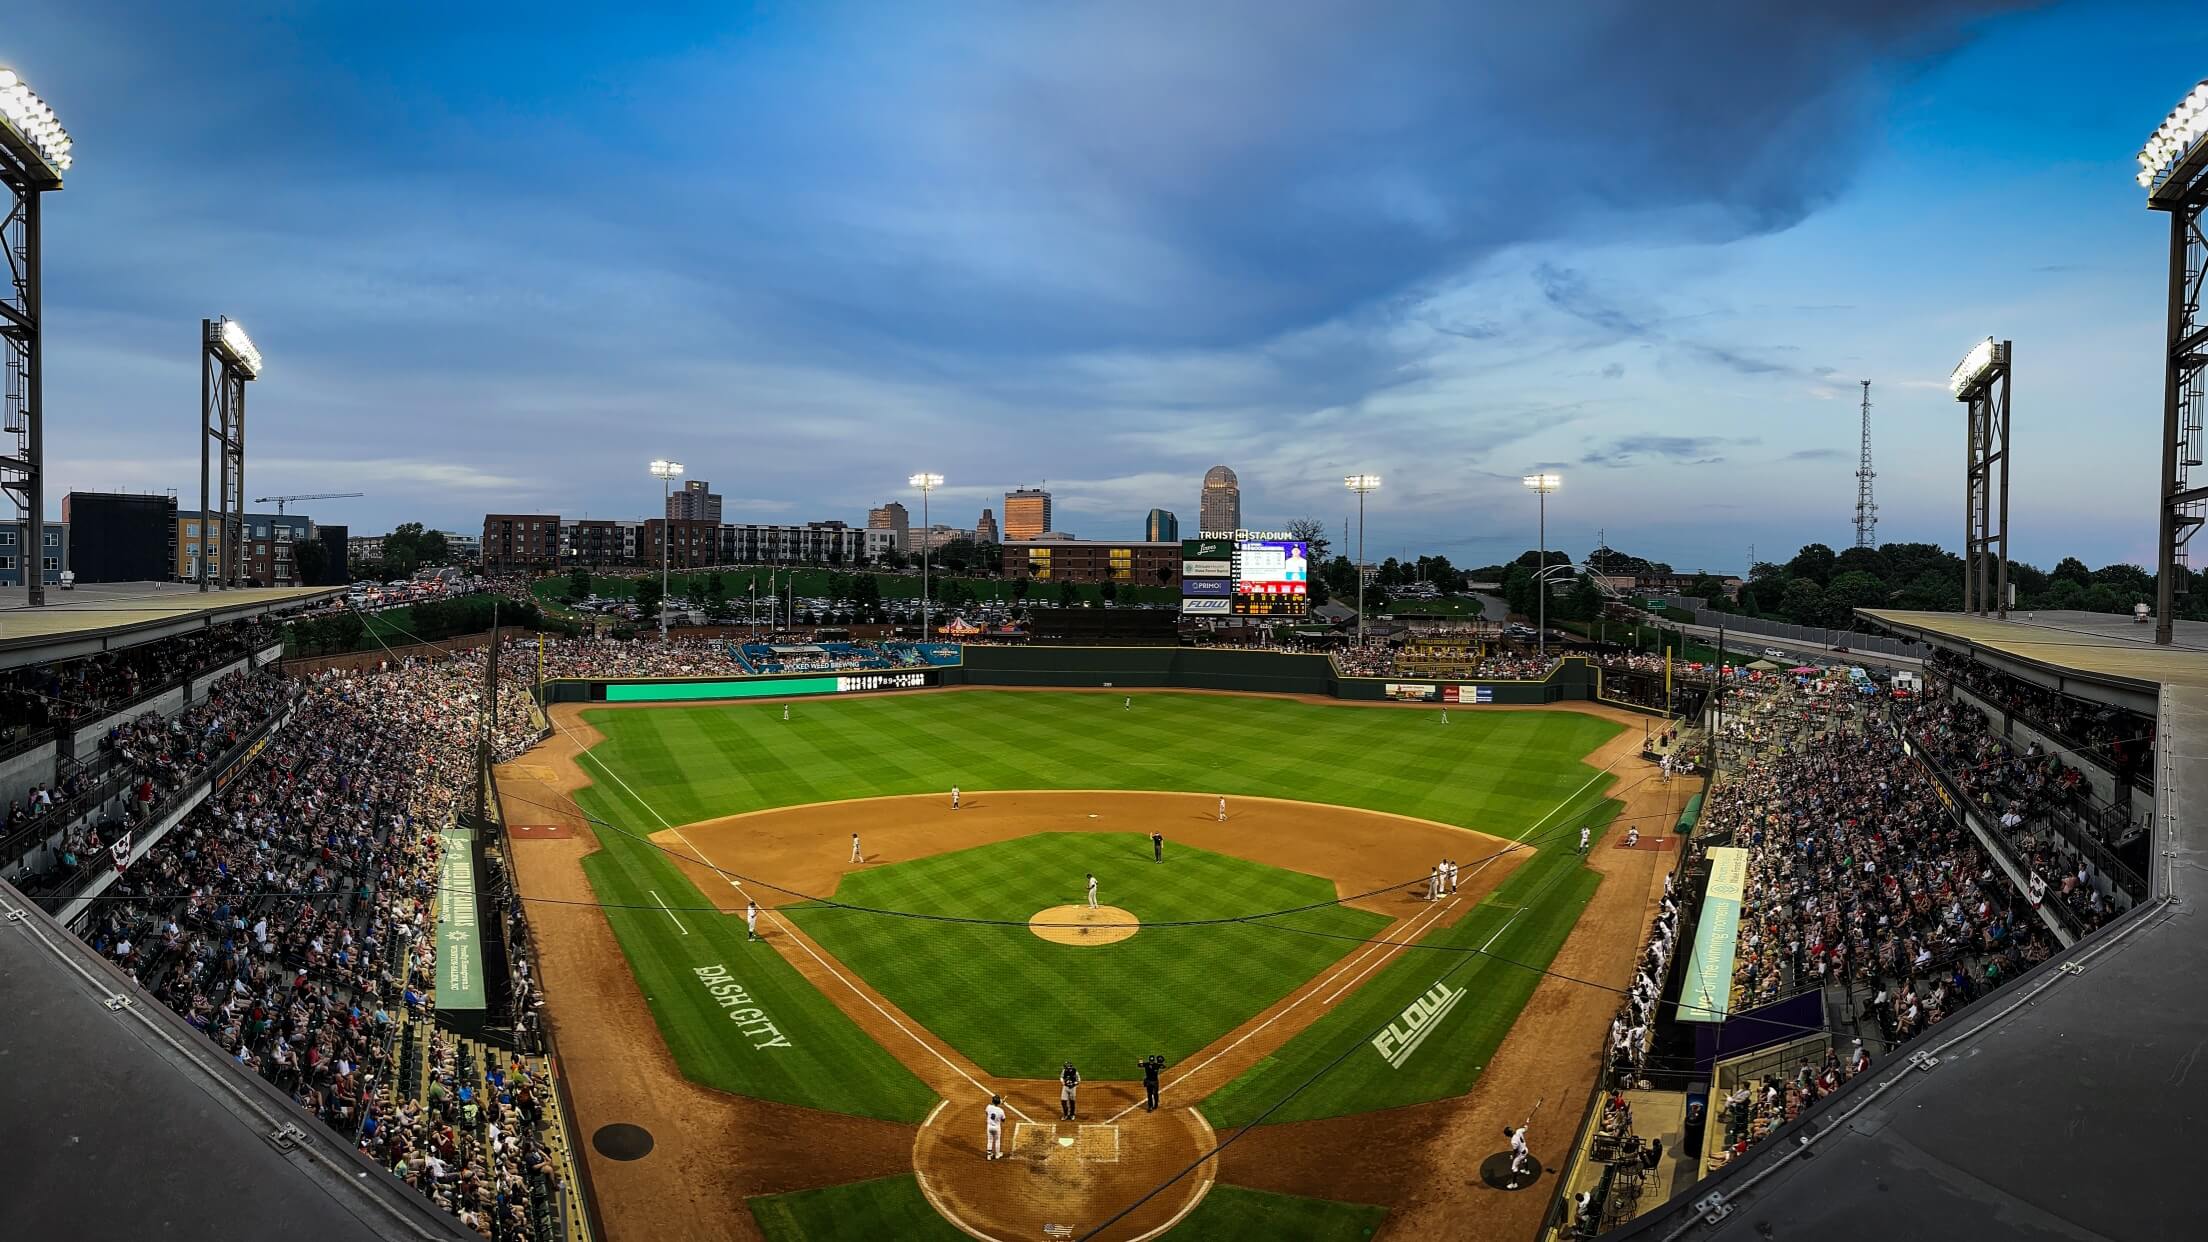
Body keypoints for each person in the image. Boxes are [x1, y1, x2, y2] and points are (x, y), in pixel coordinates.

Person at [1505, 1120, 1533, 1188]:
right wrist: (1526, 1124)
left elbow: (1515, 1151)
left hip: (1521, 1154)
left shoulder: (1513, 1141)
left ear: (1508, 1135)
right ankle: (1526, 1171)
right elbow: (1526, 1129)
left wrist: (1513, 1156)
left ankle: (1514, 1184)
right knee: (1524, 1159)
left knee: (1514, 1168)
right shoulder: (1518, 1131)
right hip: (1525, 1150)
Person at [985, 1094, 1007, 1160]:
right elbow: (1003, 1120)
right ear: (998, 1103)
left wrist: (1001, 1102)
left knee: (990, 1140)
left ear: (992, 1101)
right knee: (997, 1140)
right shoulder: (1001, 1111)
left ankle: (989, 1156)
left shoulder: (988, 1107)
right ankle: (997, 1155)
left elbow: (986, 1113)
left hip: (989, 1127)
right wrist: (1002, 1102)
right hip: (997, 1128)